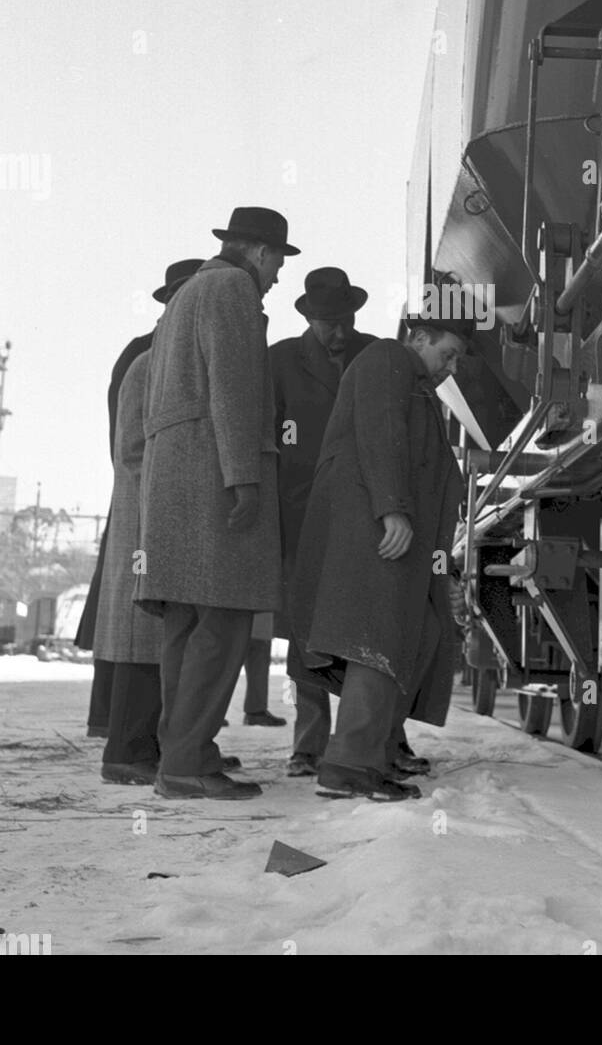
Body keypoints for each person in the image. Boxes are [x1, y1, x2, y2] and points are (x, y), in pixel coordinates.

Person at [135, 208, 296, 801]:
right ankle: (184, 764)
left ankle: (182, 753)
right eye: (278, 260)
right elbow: (232, 386)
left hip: (176, 479)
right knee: (224, 622)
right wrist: (243, 477)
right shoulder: (232, 288)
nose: (278, 274)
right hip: (214, 478)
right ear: (258, 252)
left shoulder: (186, 296)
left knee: (187, 622)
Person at [286, 315, 469, 801]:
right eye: (446, 353)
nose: (450, 368)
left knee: (415, 635)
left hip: (399, 535)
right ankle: (347, 766)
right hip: (375, 527)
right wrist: (392, 509)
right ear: (420, 337)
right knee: (377, 639)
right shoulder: (389, 358)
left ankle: (376, 756)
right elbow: (380, 432)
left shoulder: (412, 380)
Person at [76, 259, 201, 739]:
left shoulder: (154, 351)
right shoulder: (152, 356)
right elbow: (131, 444)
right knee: (137, 626)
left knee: (139, 624)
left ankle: (127, 732)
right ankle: (128, 740)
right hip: (148, 500)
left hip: (147, 498)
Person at [268, 267, 377, 776]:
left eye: (348, 320)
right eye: (330, 322)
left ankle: (378, 743)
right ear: (310, 317)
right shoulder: (281, 361)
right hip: (302, 514)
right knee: (305, 635)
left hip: (361, 513)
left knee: (370, 627)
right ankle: (307, 749)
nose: (341, 331)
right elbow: (270, 436)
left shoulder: (374, 354)